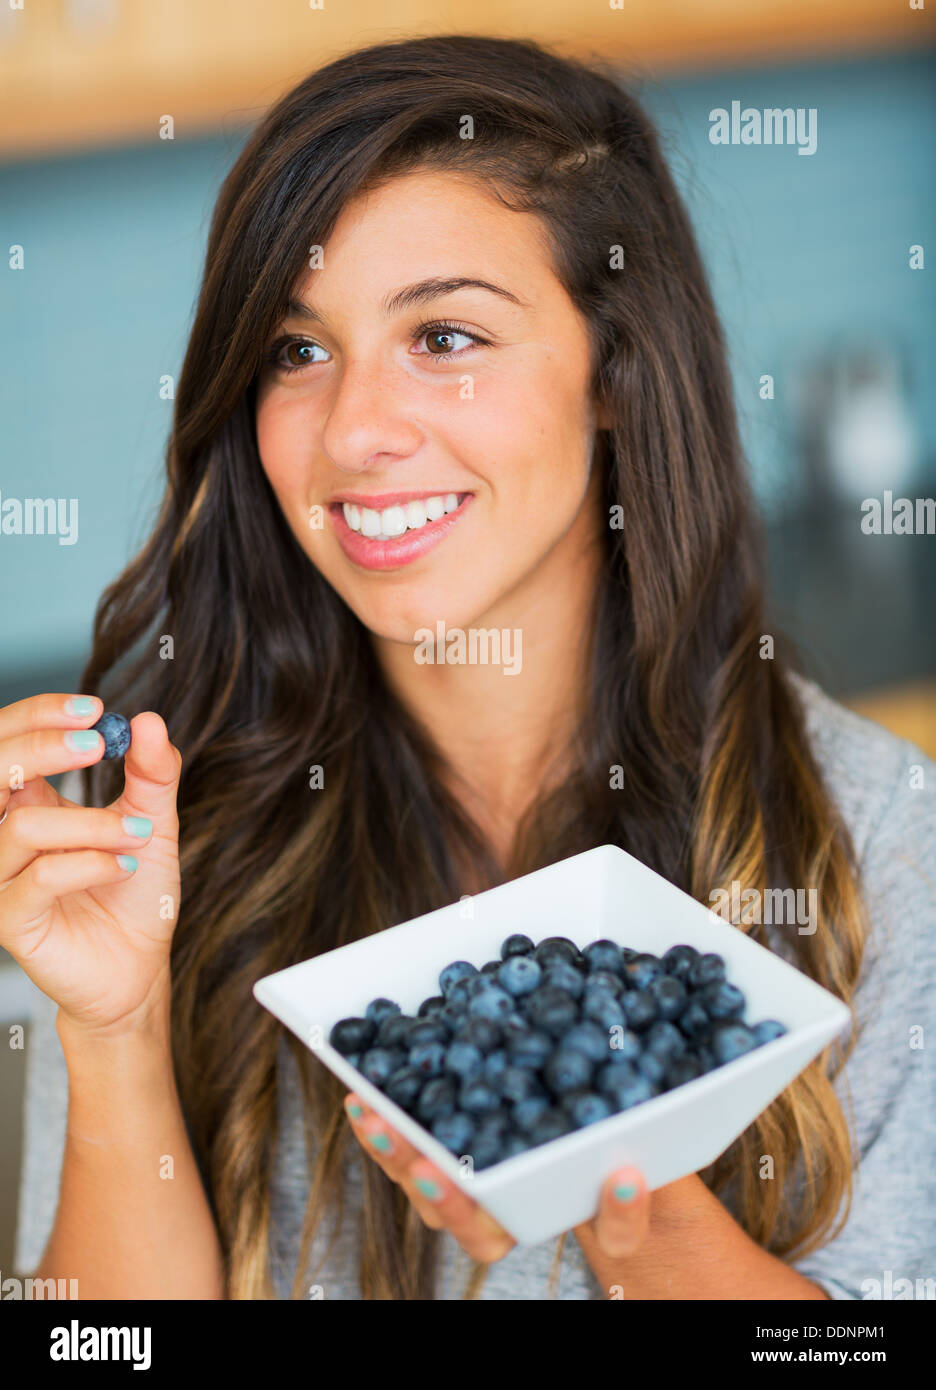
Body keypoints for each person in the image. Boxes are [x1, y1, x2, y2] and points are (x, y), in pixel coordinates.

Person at [7, 34, 935, 1301]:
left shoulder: (876, 845)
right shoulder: (171, 842)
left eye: (444, 335)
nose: (356, 430)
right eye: (297, 349)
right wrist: (114, 1030)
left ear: (613, 372)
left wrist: (634, 1216)